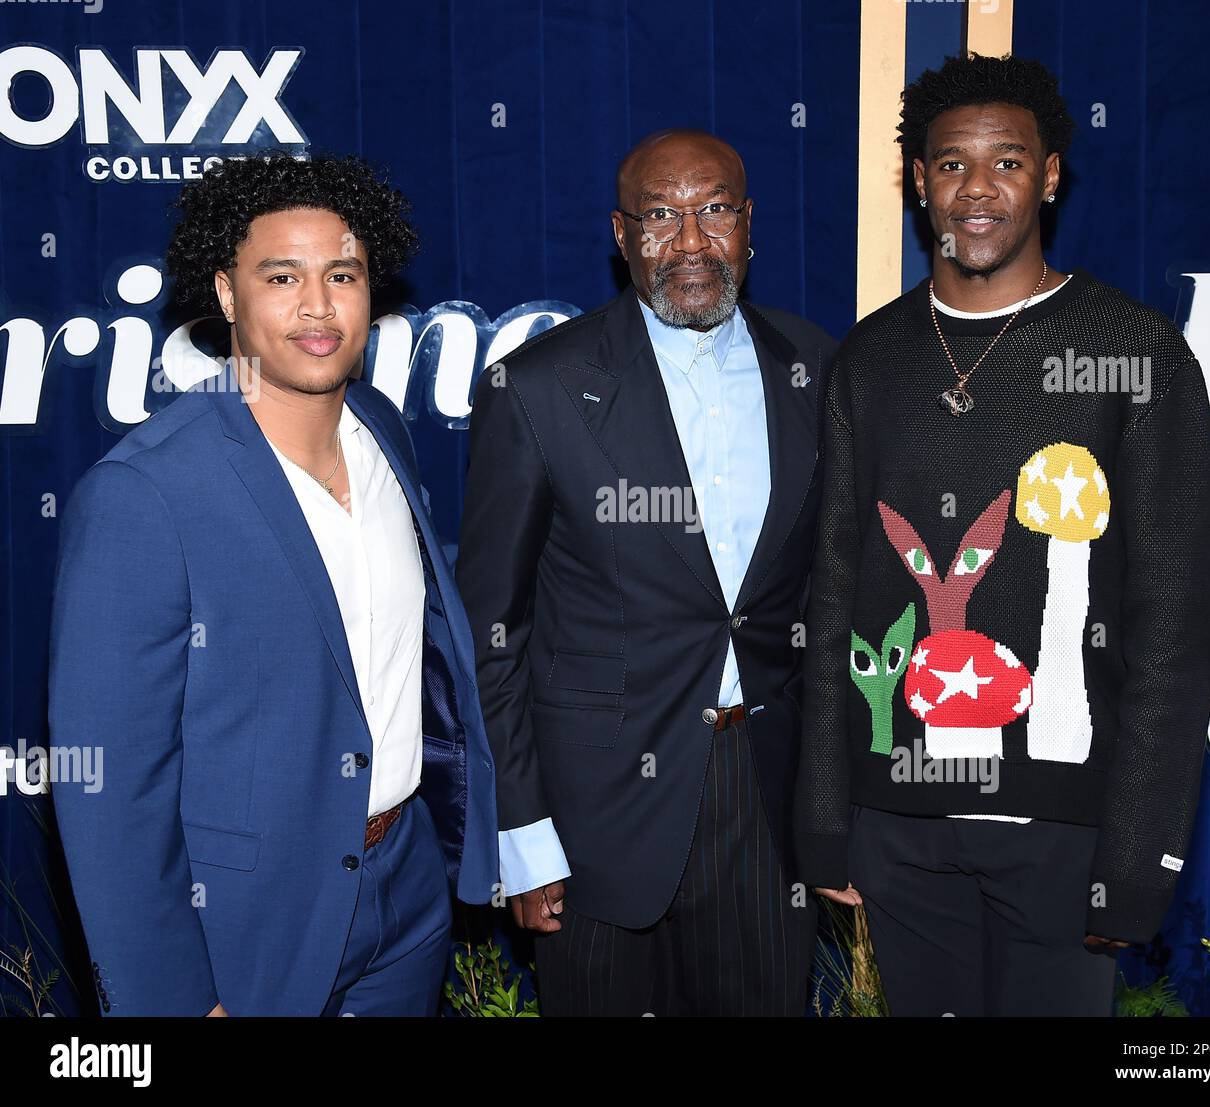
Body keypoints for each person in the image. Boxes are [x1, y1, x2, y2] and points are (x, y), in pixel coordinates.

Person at [795, 54, 1210, 1016]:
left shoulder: (1136, 351)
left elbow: (1174, 628)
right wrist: (824, 819)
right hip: (898, 822)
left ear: (1051, 175)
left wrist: (1137, 855)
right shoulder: (870, 356)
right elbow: (833, 595)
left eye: (1008, 161)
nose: (977, 189)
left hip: (1065, 832)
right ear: (916, 180)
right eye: (951, 164)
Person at [49, 153, 497, 1016]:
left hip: (406, 894)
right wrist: (171, 1001)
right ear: (225, 293)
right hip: (244, 928)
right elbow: (110, 787)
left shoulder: (379, 429)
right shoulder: (144, 494)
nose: (318, 307)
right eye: (281, 276)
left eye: (342, 274)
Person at [456, 129, 837, 1015]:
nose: (692, 243)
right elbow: (492, 629)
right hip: (596, 813)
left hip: (766, 799)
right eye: (662, 216)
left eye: (715, 212)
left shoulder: (815, 367)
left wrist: (837, 810)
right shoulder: (539, 389)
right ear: (621, 235)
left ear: (751, 227)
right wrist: (522, 830)